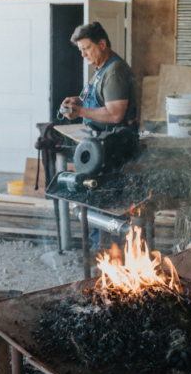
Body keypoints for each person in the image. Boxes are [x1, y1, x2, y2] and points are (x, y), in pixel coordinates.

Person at [60, 22, 140, 251]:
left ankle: (111, 257)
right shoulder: (101, 69)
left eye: (86, 48)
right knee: (96, 203)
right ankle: (101, 256)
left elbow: (115, 114)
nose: (83, 54)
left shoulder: (115, 70)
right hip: (102, 147)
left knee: (110, 207)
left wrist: (79, 112)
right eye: (81, 50)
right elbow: (101, 99)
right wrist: (79, 101)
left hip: (115, 150)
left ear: (102, 44)